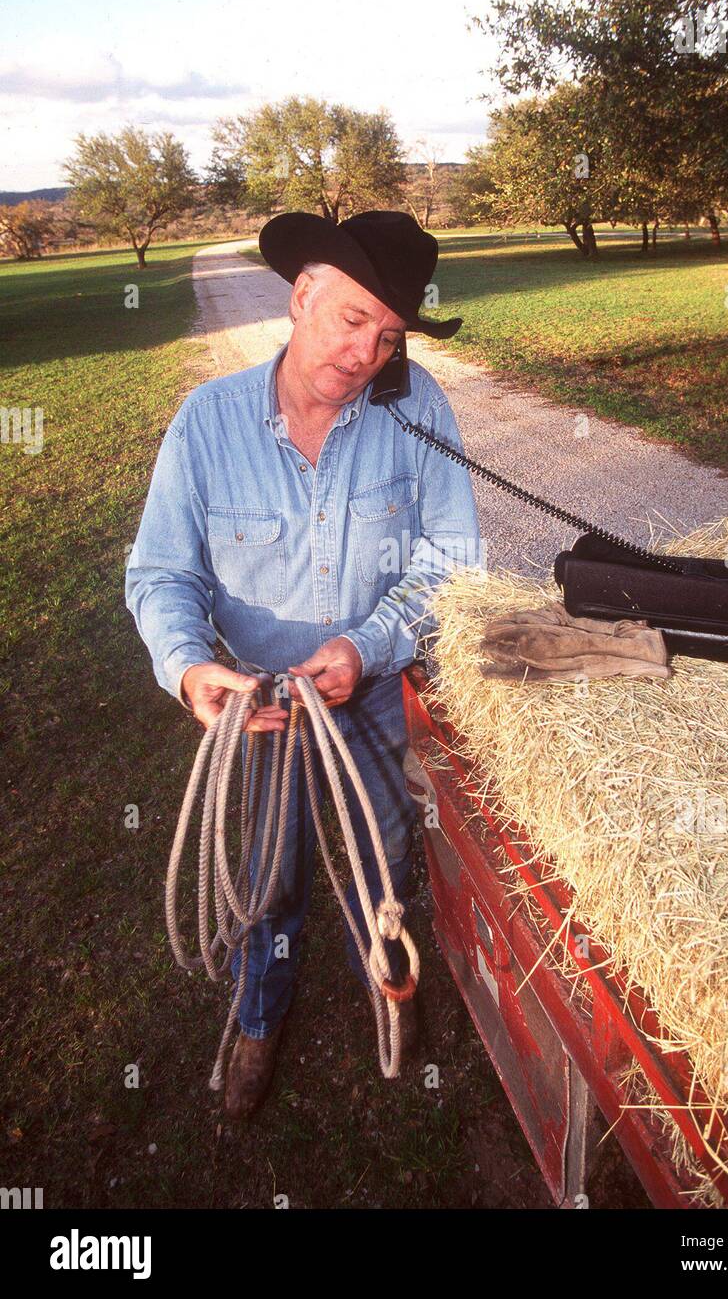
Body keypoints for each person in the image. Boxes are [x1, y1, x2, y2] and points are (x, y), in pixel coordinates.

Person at [126, 210, 481, 1119]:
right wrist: (189, 666)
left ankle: (387, 979)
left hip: (365, 685)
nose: (368, 351)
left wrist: (366, 646)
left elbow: (451, 562)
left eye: (389, 333)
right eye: (352, 319)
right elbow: (163, 572)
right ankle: (256, 1018)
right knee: (268, 873)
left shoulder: (418, 409)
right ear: (302, 296)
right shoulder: (208, 423)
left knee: (384, 849)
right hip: (261, 705)